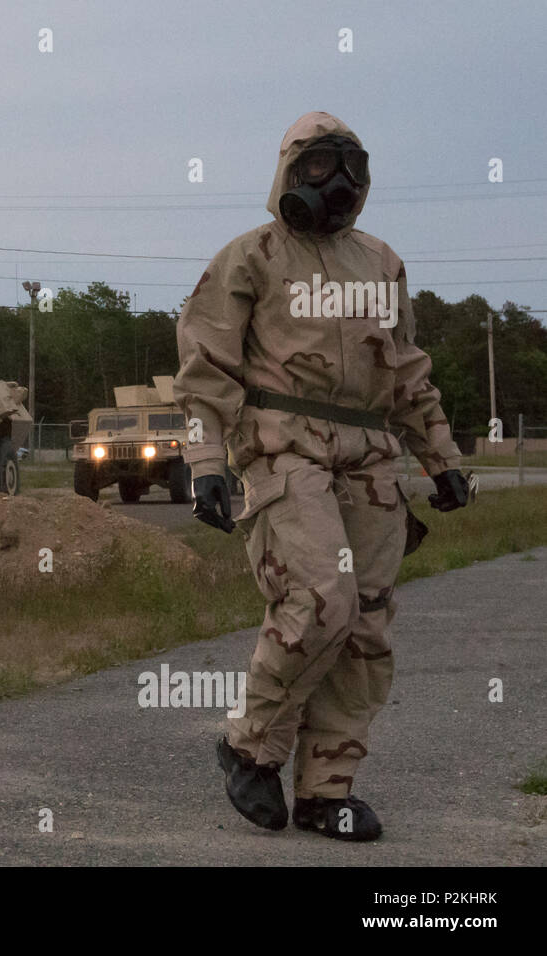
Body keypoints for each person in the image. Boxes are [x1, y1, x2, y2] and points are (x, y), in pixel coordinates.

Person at [173, 111, 469, 841]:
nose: (333, 183)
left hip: (370, 460)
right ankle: (249, 747)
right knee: (322, 599)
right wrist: (205, 462)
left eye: (348, 168)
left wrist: (444, 458)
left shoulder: (381, 263)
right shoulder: (250, 258)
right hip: (284, 445)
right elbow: (201, 372)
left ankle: (325, 790)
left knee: (367, 626)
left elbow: (406, 375)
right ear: (286, 172)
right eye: (315, 167)